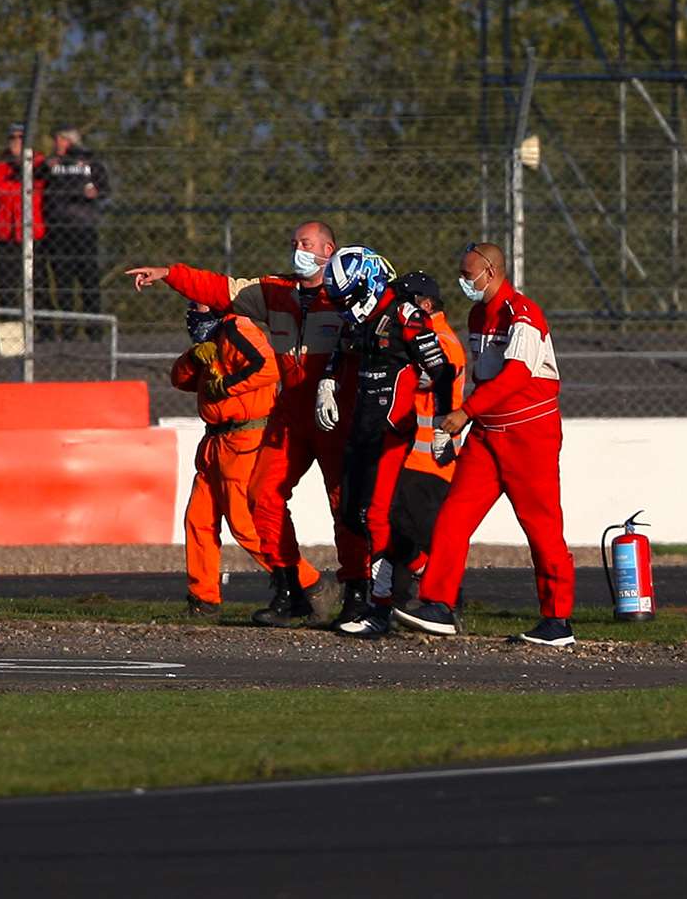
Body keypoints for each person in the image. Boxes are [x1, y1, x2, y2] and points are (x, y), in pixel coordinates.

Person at [126, 221, 355, 627]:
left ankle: (352, 592)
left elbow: (265, 364)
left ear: (328, 248)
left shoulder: (346, 295)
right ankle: (278, 594)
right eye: (293, 242)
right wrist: (170, 275)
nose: (296, 249)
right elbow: (220, 290)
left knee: (341, 505)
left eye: (304, 243)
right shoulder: (275, 292)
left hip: (309, 418)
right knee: (251, 502)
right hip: (273, 420)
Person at [394, 241, 572, 647]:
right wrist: (471, 418)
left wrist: (464, 412)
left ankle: (558, 619)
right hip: (488, 435)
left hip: (529, 435)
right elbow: (486, 376)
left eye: (467, 273)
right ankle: (438, 604)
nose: (463, 280)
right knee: (454, 516)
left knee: (541, 527)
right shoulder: (478, 314)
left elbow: (515, 377)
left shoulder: (521, 314)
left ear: (491, 272)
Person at [320, 250, 465, 637]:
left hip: (390, 432)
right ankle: (420, 567)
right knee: (351, 515)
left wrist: (444, 424)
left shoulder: (406, 317)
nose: (344, 308)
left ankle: (380, 609)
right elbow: (340, 350)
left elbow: (445, 370)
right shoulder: (360, 320)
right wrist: (327, 383)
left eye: (347, 298)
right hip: (360, 427)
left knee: (375, 516)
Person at [172, 301, 323, 614]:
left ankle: (305, 583)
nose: (194, 314)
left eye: (200, 306)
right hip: (215, 442)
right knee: (198, 520)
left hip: (244, 438)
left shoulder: (238, 329)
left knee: (244, 524)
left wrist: (226, 387)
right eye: (192, 307)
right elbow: (181, 380)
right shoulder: (212, 340)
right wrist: (192, 358)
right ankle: (204, 598)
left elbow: (268, 366)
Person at [40, 126, 112, 338]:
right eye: (56, 139)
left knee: (88, 278)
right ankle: (69, 329)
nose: (57, 144)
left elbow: (104, 188)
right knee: (63, 279)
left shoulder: (90, 162)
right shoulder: (51, 164)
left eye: (61, 140)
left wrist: (95, 192)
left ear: (70, 141)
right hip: (58, 229)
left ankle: (94, 329)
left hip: (83, 228)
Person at [0, 126, 46, 313]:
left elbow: (40, 190)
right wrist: (21, 186)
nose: (16, 141)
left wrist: (16, 186)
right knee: (7, 288)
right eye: (12, 137)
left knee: (39, 285)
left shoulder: (40, 164)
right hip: (7, 234)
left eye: (21, 137)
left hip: (33, 232)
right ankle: (11, 340)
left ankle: (45, 334)